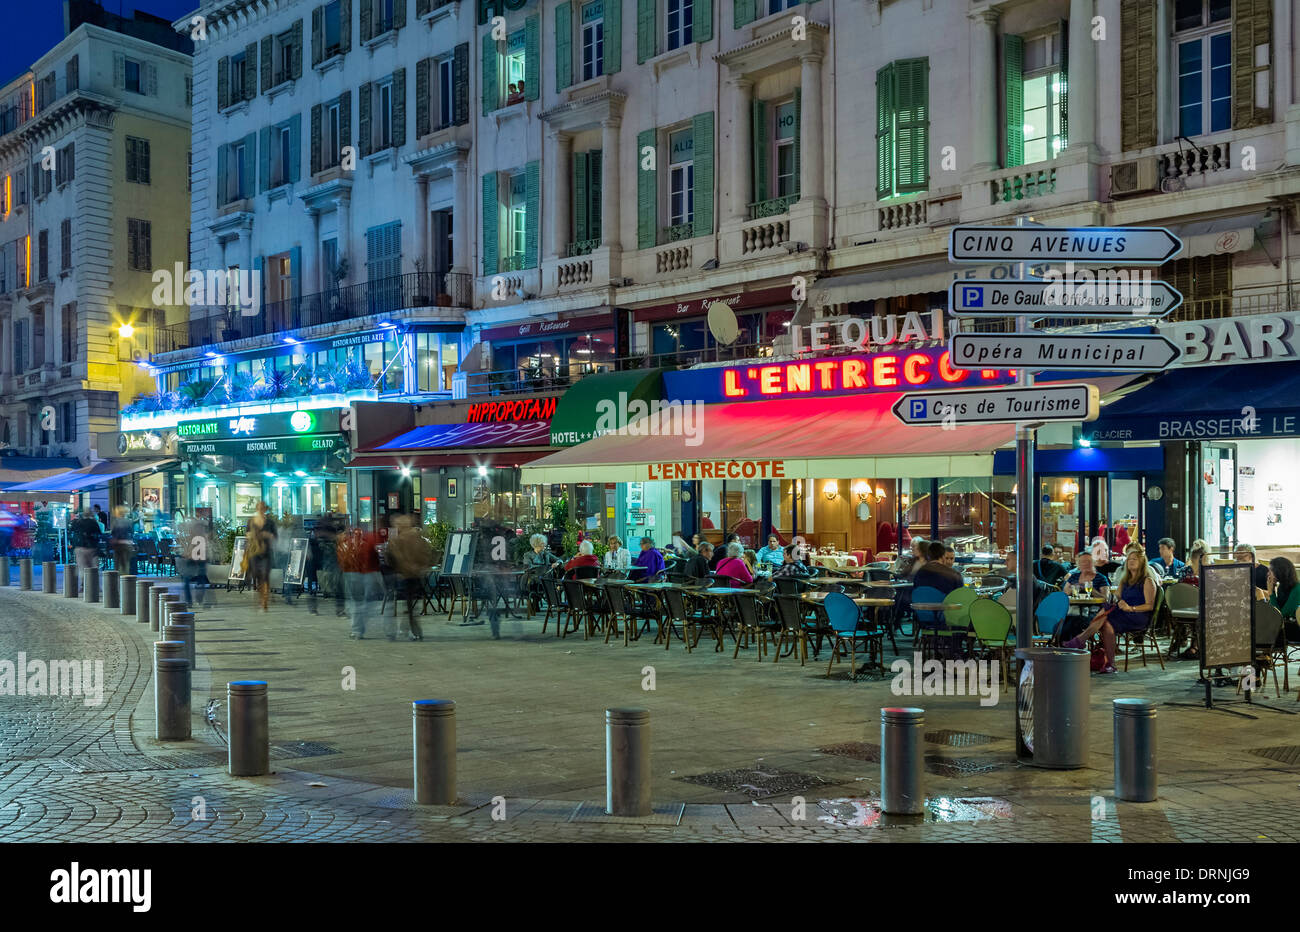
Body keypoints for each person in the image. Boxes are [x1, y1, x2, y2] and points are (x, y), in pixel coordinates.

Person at [1066, 548, 1157, 674]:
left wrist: (1131, 608)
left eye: (1134, 559)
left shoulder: (1147, 581)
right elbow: (1116, 597)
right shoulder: (1124, 581)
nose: (1131, 562)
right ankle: (1108, 663)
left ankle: (1082, 641)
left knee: (1106, 618)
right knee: (1107, 617)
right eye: (1129, 559)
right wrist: (1113, 600)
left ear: (1142, 562)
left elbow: (1150, 606)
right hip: (1123, 613)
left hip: (1138, 616)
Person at [337, 523, 391, 640]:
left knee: (356, 603)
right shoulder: (372, 538)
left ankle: (356, 631)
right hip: (370, 573)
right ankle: (388, 630)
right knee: (373, 602)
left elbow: (341, 558)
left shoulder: (344, 541)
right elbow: (381, 555)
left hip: (351, 573)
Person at [386, 518, 431, 641]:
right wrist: (421, 567)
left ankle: (405, 631)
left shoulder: (397, 540)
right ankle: (411, 630)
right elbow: (427, 554)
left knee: (405, 605)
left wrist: (400, 568)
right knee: (410, 605)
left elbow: (391, 558)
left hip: (403, 575)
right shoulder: (418, 538)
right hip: (415, 575)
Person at [244, 501, 278, 612]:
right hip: (254, 551)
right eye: (259, 507)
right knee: (257, 575)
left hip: (266, 551)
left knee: (265, 575)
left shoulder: (270, 522)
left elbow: (275, 536)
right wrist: (252, 536)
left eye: (263, 508)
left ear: (265, 509)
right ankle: (261, 598)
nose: (261, 509)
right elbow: (247, 534)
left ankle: (265, 601)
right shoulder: (251, 521)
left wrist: (267, 535)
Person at [1261, 556, 1300, 644]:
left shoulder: (1297, 589)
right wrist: (1273, 592)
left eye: (1271, 570)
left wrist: (1271, 593)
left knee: (1265, 628)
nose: (1268, 574)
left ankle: (1265, 654)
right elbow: (1275, 612)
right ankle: (1263, 654)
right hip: (1284, 626)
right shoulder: (1281, 587)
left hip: (1296, 627)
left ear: (1280, 571)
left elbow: (1280, 615)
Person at [69, 510, 101, 589]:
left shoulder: (78, 522)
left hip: (80, 548)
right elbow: (99, 534)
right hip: (92, 548)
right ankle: (95, 585)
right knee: (93, 567)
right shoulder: (93, 523)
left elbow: (71, 532)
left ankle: (84, 585)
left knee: (82, 567)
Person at [109, 505, 134, 575]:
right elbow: (132, 532)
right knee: (126, 563)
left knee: (117, 564)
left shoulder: (116, 522)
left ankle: (117, 580)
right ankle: (126, 579)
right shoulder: (129, 521)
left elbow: (113, 533)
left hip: (118, 544)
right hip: (127, 544)